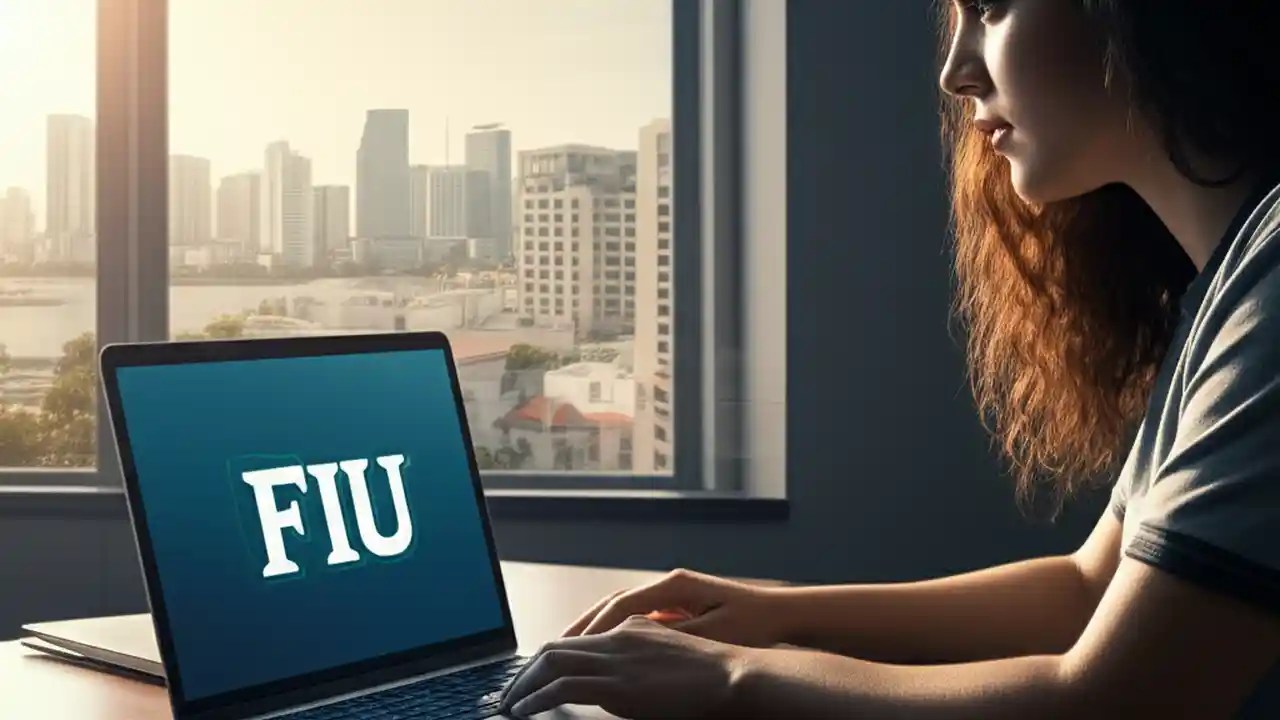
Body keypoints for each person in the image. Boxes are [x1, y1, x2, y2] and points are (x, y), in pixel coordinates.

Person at [498, 1, 1280, 717]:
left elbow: (1116, 700)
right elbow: (1088, 588)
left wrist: (733, 676)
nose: (955, 72)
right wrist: (772, 615)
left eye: (990, 8)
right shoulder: (1232, 282)